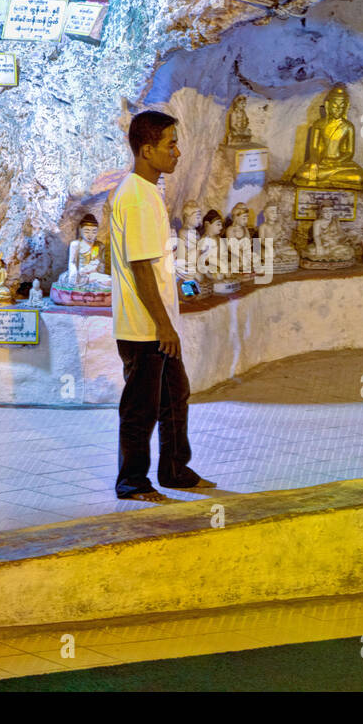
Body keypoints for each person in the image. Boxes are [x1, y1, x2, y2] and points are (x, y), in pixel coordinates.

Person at [107, 111, 216, 502]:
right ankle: (132, 482)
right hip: (144, 328)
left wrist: (176, 291)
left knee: (174, 396)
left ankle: (174, 470)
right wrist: (163, 326)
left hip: (157, 324)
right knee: (141, 408)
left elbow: (153, 263)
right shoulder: (136, 197)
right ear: (147, 149)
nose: (178, 151)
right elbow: (139, 268)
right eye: (170, 144)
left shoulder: (148, 192)